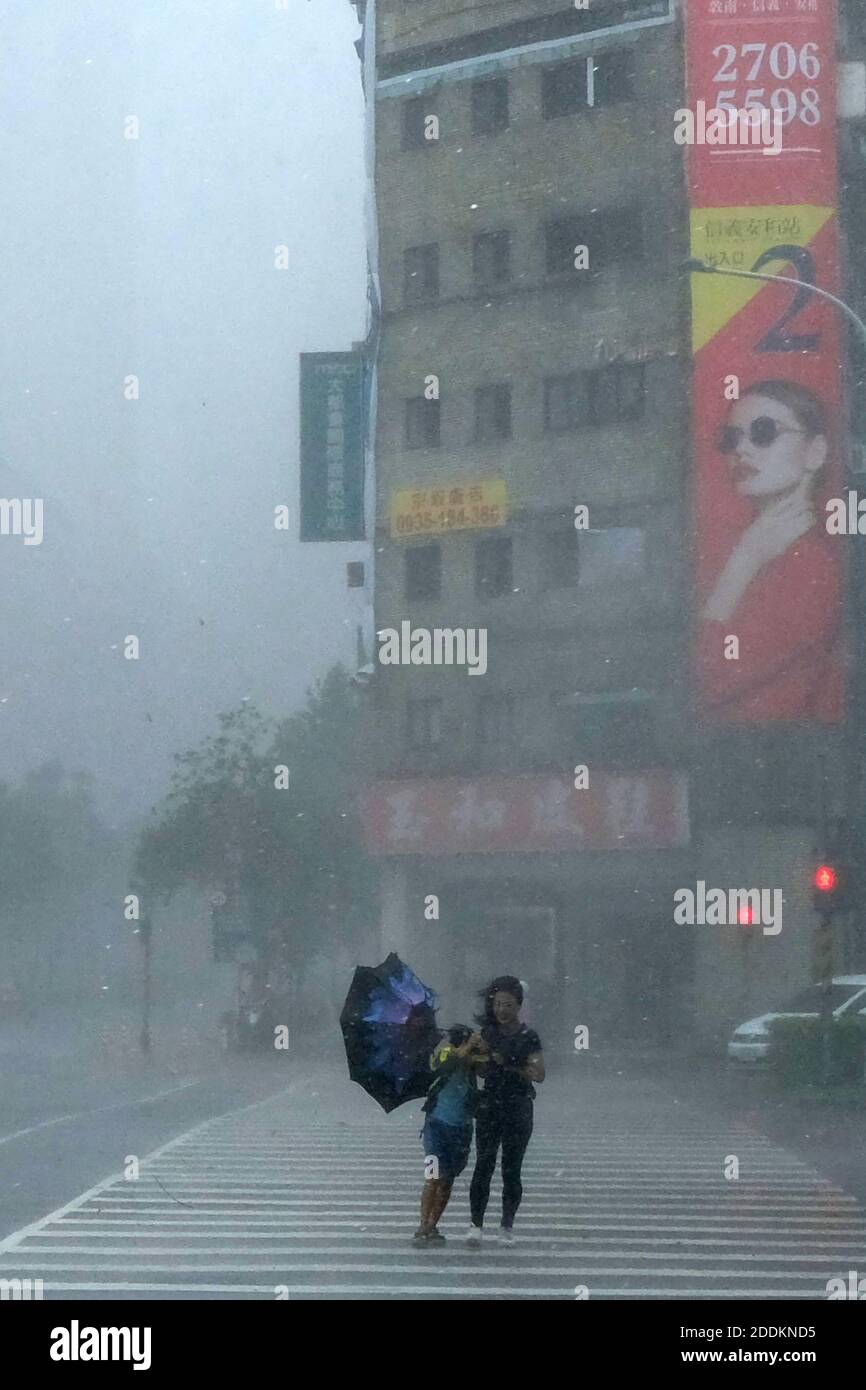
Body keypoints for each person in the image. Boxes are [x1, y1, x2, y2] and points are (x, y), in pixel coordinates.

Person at [697, 379, 843, 721]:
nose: (741, 450)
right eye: (731, 438)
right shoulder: (746, 552)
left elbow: (705, 681)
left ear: (815, 452)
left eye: (764, 432)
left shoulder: (813, 568)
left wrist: (743, 561)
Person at [466, 976, 544, 1246]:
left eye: (508, 1005)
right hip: (489, 1106)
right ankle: (476, 1224)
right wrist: (477, 1057)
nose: (502, 1010)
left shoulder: (528, 1036)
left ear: (519, 1006)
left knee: (512, 1169)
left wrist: (506, 1061)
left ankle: (506, 1226)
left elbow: (538, 1073)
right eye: (498, 1004)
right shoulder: (484, 1034)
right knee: (483, 1165)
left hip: (518, 1108)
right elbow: (477, 1068)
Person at [413, 1025, 485, 1245]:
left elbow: (487, 1065)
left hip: (461, 1129)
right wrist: (469, 1047)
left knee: (447, 1181)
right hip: (436, 1124)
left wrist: (482, 1048)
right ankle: (422, 1226)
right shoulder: (445, 1053)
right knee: (432, 1178)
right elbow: (447, 1065)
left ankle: (433, 1225)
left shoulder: (474, 1061)